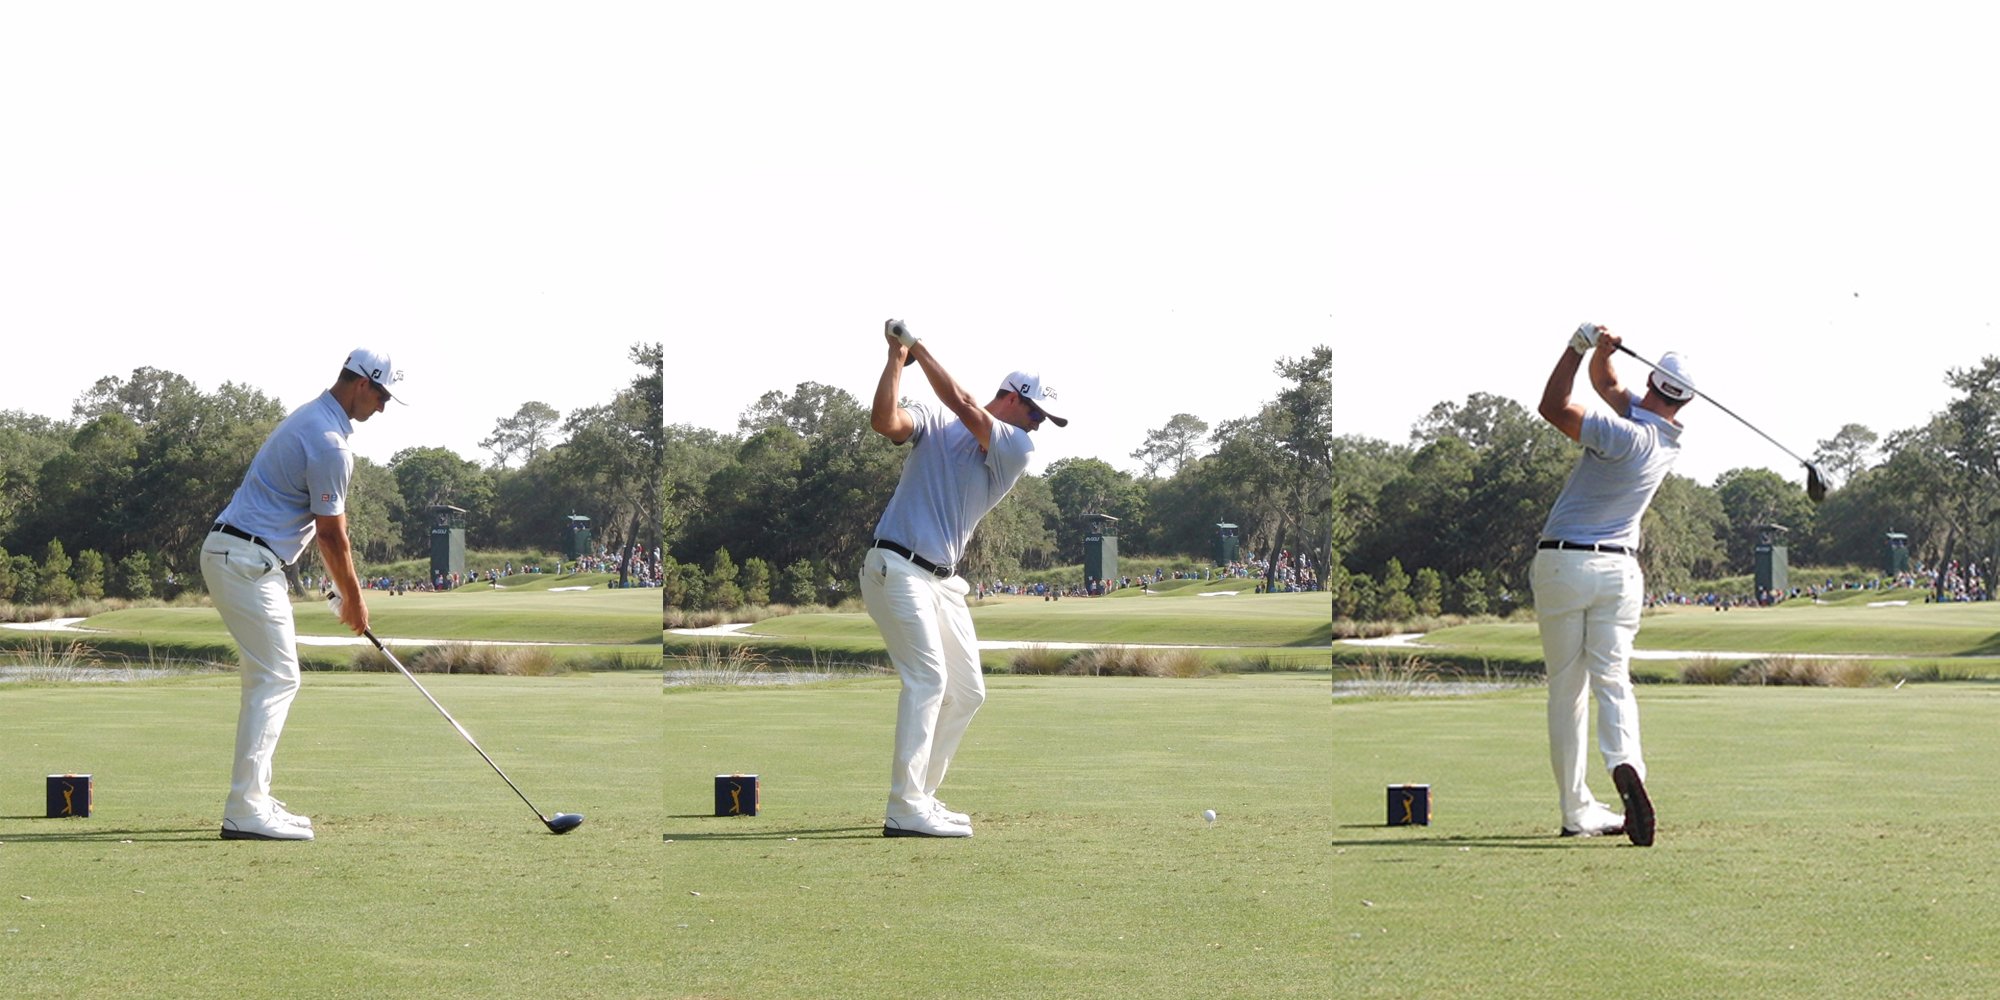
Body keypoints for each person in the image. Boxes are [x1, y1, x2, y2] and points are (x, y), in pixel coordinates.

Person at [861, 319, 1066, 837]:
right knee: (929, 680)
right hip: (897, 565)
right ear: (1014, 398)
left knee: (969, 692)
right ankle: (904, 807)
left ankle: (920, 799)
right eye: (1037, 413)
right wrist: (895, 360)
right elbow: (885, 422)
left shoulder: (1015, 449)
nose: (1039, 425)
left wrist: (919, 348)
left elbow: (967, 407)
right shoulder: (933, 418)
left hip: (942, 582)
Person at [201, 349, 401, 841]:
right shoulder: (330, 441)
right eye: (381, 395)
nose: (382, 407)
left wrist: (338, 588)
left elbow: (308, 526)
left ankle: (255, 799)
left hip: (246, 557)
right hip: (246, 560)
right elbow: (333, 535)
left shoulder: (317, 420)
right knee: (278, 679)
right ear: (360, 384)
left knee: (268, 679)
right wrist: (354, 598)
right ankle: (245, 809)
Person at [1532, 322, 1693, 848]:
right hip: (1621, 573)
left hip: (1564, 566)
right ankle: (1627, 766)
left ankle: (1576, 809)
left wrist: (1575, 348)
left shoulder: (1624, 434)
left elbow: (1554, 408)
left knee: (1568, 691)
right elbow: (1607, 385)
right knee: (1613, 680)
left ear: (1654, 379)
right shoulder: (1665, 438)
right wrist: (1603, 354)